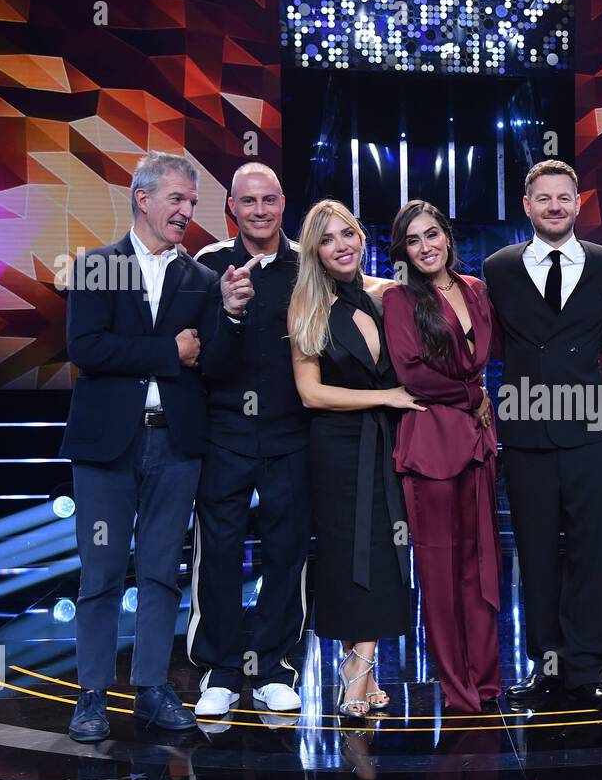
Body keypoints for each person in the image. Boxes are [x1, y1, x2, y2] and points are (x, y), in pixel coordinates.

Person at [61, 151, 237, 742]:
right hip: (108, 446)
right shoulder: (95, 267)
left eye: (192, 202)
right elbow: (87, 347)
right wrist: (168, 354)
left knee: (162, 572)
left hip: (176, 446)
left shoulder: (203, 280)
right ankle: (91, 695)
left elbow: (213, 362)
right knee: (102, 572)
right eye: (178, 199)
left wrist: (232, 317)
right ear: (143, 198)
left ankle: (153, 687)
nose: (188, 211)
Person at [482, 160, 602, 712]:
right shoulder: (499, 267)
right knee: (536, 556)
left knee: (592, 554)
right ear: (527, 205)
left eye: (563, 197)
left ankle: (585, 673)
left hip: (588, 426)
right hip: (526, 430)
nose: (554, 207)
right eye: (543, 198)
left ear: (577, 203)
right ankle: (546, 669)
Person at [288, 199, 420, 719]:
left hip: (391, 442)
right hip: (336, 447)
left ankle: (362, 669)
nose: (341, 245)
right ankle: (355, 674)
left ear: (362, 237)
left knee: (386, 554)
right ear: (314, 251)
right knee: (348, 556)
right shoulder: (307, 305)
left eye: (348, 234)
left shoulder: (389, 295)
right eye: (327, 239)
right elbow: (310, 394)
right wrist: (384, 397)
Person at [188, 162, 307, 717]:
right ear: (231, 208)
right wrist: (230, 315)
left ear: (284, 204)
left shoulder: (310, 265)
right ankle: (221, 668)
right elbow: (200, 361)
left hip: (292, 433)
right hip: (226, 432)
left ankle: (275, 664)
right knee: (220, 554)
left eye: (270, 200)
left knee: (286, 552)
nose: (260, 210)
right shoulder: (208, 265)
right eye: (248, 202)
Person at [382, 200, 502, 714]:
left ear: (448, 238)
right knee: (439, 569)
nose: (426, 246)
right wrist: (471, 397)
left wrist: (477, 402)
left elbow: (481, 361)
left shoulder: (476, 290)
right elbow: (413, 376)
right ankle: (458, 689)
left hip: (477, 440)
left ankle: (489, 680)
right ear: (403, 250)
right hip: (431, 442)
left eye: (433, 235)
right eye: (413, 240)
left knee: (480, 566)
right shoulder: (399, 300)